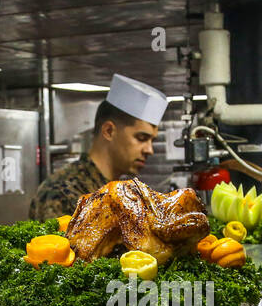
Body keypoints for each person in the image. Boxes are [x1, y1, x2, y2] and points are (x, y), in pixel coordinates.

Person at [28, 74, 166, 220]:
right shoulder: (63, 192)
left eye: (152, 140)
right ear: (109, 131)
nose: (149, 150)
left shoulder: (121, 193)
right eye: (141, 138)